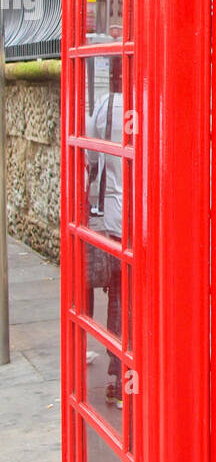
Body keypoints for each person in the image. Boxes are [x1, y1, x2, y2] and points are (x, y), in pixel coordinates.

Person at [85, 84, 123, 405]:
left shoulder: (105, 106)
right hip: (149, 220)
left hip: (114, 221)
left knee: (119, 299)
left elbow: (91, 158)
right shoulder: (154, 101)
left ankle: (118, 368)